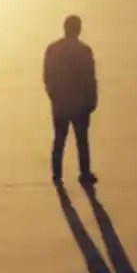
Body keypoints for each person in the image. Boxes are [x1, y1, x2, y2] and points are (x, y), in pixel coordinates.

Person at [44, 15, 98, 185]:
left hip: (61, 102)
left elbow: (48, 75)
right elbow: (90, 77)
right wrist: (92, 99)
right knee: (82, 140)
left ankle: (57, 173)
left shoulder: (53, 49)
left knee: (59, 139)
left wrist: (53, 94)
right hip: (80, 103)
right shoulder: (84, 51)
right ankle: (84, 172)